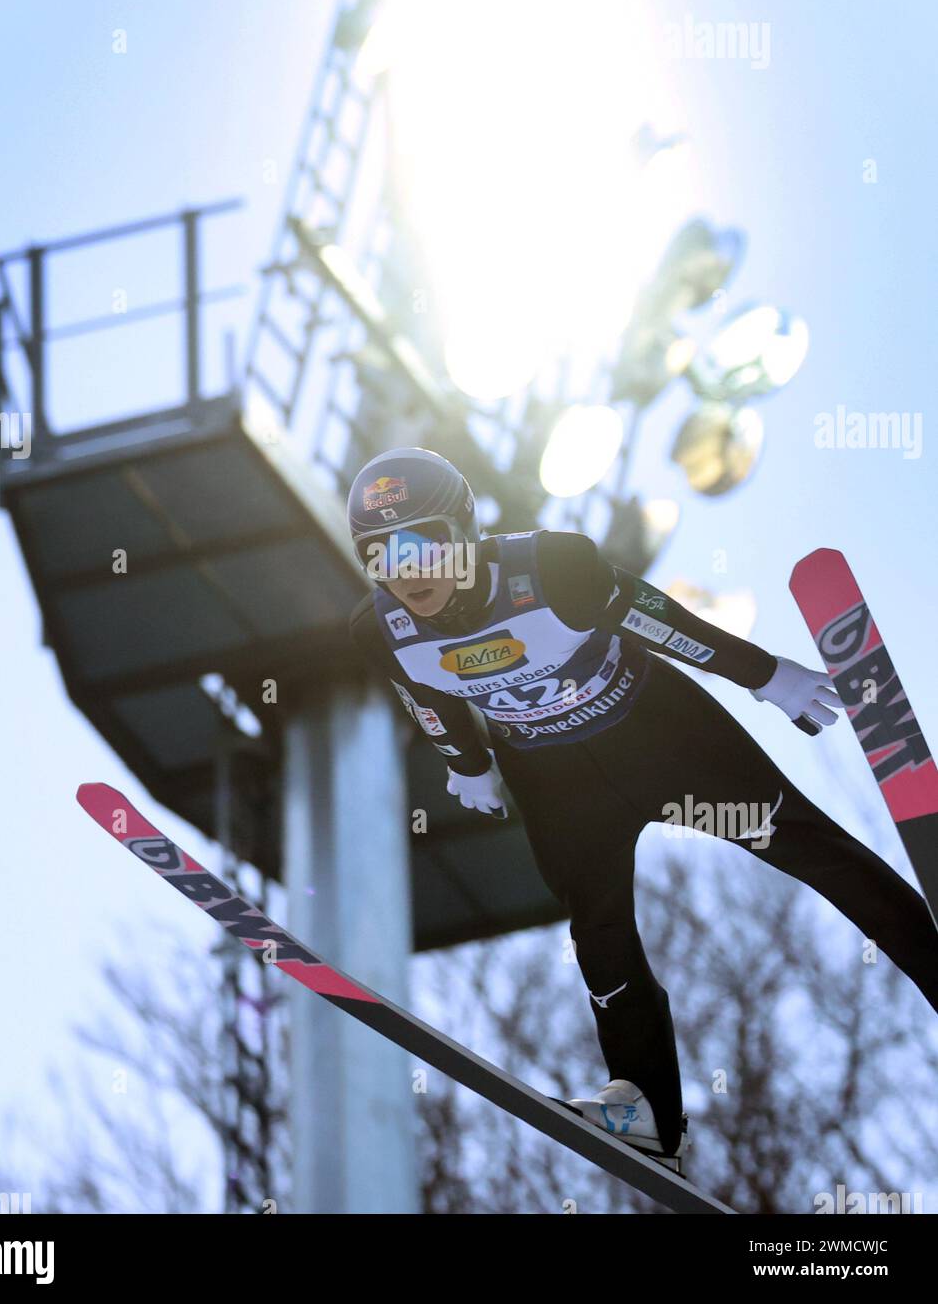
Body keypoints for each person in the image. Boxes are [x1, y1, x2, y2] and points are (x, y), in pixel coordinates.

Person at [346, 446, 938, 1174]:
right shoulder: (379, 630)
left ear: (463, 532)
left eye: (422, 547)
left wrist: (763, 676)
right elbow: (427, 698)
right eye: (381, 558)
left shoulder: (552, 567)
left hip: (662, 742)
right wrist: (467, 766)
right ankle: (647, 1106)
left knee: (809, 849)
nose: (407, 575)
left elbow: (661, 622)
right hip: (558, 783)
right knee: (596, 927)